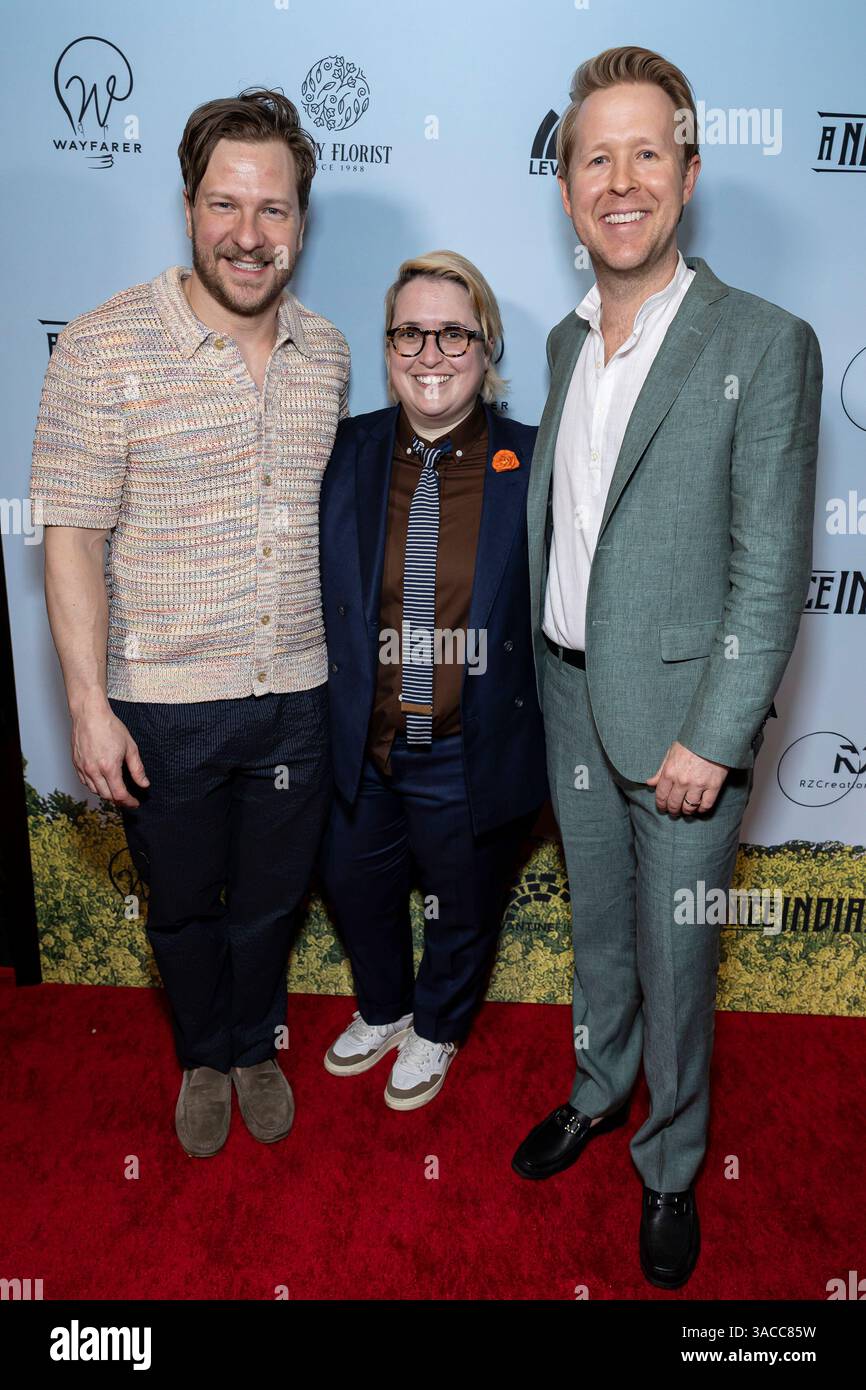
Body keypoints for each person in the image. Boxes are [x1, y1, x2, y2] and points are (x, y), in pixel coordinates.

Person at [512, 47, 822, 1288]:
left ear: (686, 176)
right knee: (601, 934)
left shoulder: (765, 339)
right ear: (567, 185)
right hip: (567, 692)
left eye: (648, 152)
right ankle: (598, 1086)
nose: (620, 178)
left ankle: (669, 1163)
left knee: (679, 956)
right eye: (596, 156)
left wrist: (717, 732)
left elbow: (766, 567)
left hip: (687, 716)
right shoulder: (557, 339)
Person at [29, 89, 350, 1158]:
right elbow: (69, 535)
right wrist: (86, 704)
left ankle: (253, 1042)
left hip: (298, 696)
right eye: (227, 205)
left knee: (269, 903)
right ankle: (202, 1054)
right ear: (187, 208)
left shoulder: (329, 351)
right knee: (178, 909)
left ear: (301, 222)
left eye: (274, 210)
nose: (249, 236)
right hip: (161, 705)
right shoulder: (99, 346)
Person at [318, 251, 546, 1110]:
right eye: (410, 332)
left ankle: (440, 1026)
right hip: (362, 738)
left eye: (453, 332)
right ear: (388, 347)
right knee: (355, 885)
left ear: (485, 348)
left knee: (461, 905)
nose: (430, 352)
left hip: (468, 747)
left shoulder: (534, 462)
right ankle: (382, 1009)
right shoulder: (348, 450)